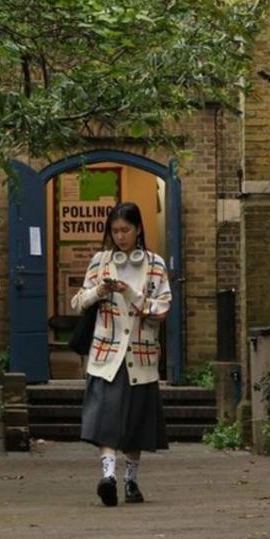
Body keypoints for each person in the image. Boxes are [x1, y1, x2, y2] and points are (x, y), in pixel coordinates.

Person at [71, 201, 171, 507]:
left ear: (138, 229)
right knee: (106, 416)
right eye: (114, 231)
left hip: (141, 354)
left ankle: (131, 480)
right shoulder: (100, 262)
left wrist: (128, 291)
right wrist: (99, 292)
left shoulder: (155, 265)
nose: (120, 236)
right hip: (106, 353)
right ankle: (108, 477)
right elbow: (78, 302)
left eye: (125, 230)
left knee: (136, 422)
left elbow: (161, 308)